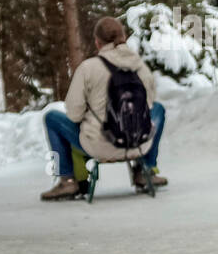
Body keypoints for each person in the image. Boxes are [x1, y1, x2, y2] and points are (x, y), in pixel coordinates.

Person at [40, 16, 168, 201]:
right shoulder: (139, 66)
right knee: (159, 110)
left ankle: (67, 180)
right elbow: (148, 106)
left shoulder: (88, 68)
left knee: (51, 118)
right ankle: (145, 169)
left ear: (98, 42)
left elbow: (74, 115)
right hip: (138, 144)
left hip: (99, 145)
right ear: (123, 37)